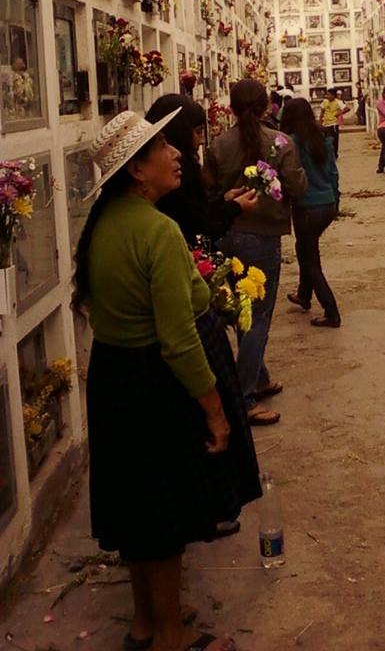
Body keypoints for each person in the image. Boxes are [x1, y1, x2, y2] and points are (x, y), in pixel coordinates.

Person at [72, 109, 236, 651]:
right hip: (152, 382)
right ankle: (171, 636)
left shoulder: (106, 223)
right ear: (137, 171)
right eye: (163, 147)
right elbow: (179, 340)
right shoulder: (158, 231)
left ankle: (146, 621)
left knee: (137, 511)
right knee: (163, 516)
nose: (176, 155)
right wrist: (214, 409)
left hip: (113, 376)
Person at [145, 95, 262, 539]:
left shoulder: (183, 177)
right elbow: (202, 226)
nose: (193, 144)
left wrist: (226, 201)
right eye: (193, 133)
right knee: (206, 412)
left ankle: (214, 500)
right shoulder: (163, 207)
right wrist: (234, 209)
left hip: (195, 295)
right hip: (187, 317)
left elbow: (202, 217)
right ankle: (207, 505)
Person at [205, 79, 308, 426]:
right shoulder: (279, 142)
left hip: (226, 235)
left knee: (239, 309)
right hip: (262, 237)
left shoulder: (218, 144)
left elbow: (211, 191)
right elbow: (296, 185)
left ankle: (259, 380)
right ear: (266, 107)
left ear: (231, 108)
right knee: (258, 317)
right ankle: (245, 397)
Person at [280, 98, 341, 328]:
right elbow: (333, 172)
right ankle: (304, 295)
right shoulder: (323, 138)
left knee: (309, 260)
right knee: (306, 248)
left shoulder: (290, 143)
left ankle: (331, 311)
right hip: (327, 205)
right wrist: (335, 198)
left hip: (306, 207)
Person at [320, 87, 349, 157]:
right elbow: (322, 111)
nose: (328, 96)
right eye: (327, 95)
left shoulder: (338, 102)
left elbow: (347, 108)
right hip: (326, 124)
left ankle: (334, 154)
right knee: (326, 140)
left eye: (329, 95)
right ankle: (328, 153)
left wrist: (339, 113)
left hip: (333, 124)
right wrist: (320, 120)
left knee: (334, 140)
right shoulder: (325, 101)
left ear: (333, 95)